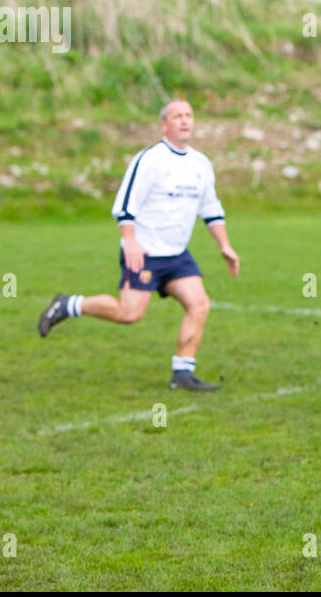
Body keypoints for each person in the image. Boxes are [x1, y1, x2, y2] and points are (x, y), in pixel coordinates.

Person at [37, 100, 240, 391]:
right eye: (177, 116)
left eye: (188, 115)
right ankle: (69, 305)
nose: (184, 121)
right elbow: (124, 206)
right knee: (129, 314)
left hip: (177, 254)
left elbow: (210, 209)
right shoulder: (149, 160)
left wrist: (225, 245)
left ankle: (182, 374)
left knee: (199, 304)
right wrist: (130, 242)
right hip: (144, 252)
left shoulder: (201, 164)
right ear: (163, 125)